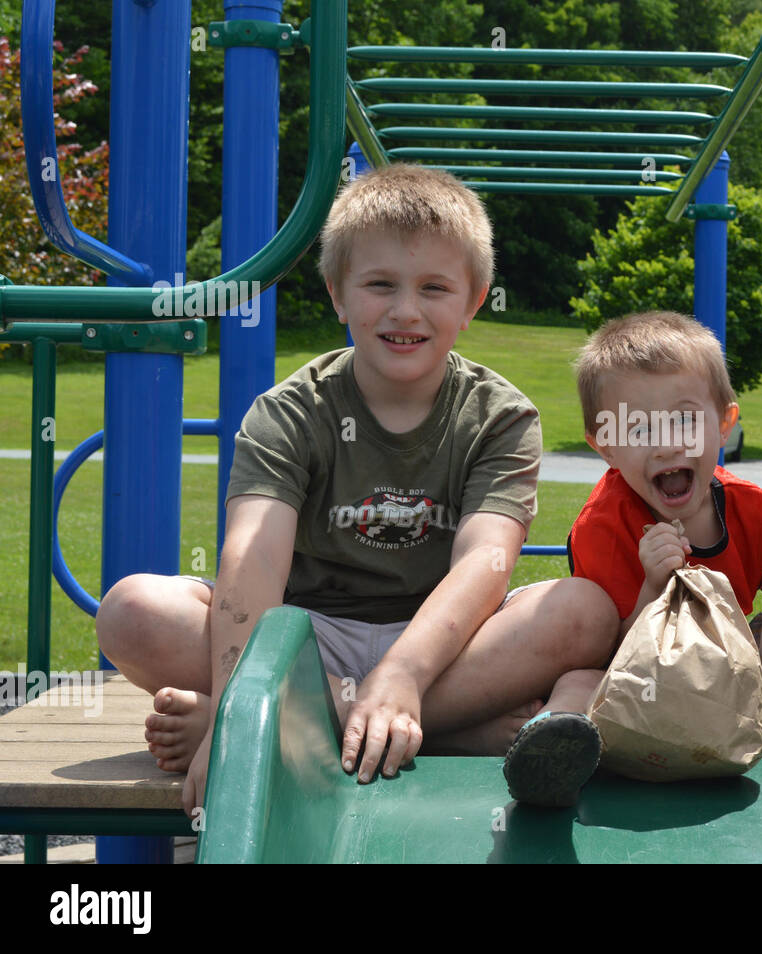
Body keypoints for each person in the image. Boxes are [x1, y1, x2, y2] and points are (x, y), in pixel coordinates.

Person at [96, 164, 618, 818]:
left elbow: (483, 567)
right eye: (379, 285)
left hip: (446, 645)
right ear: (338, 294)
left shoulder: (499, 416)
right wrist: (238, 709)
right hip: (305, 642)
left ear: (473, 301)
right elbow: (253, 560)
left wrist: (404, 673)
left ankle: (314, 721)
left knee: (585, 610)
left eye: (434, 288)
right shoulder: (289, 411)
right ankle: (439, 730)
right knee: (132, 610)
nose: (405, 311)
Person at [513, 311, 762, 804]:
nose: (667, 445)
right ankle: (556, 749)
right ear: (606, 447)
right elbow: (604, 650)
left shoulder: (752, 508)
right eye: (639, 429)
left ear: (724, 425)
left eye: (684, 420)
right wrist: (653, 587)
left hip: (735, 681)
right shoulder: (604, 524)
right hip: (637, 691)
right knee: (577, 681)